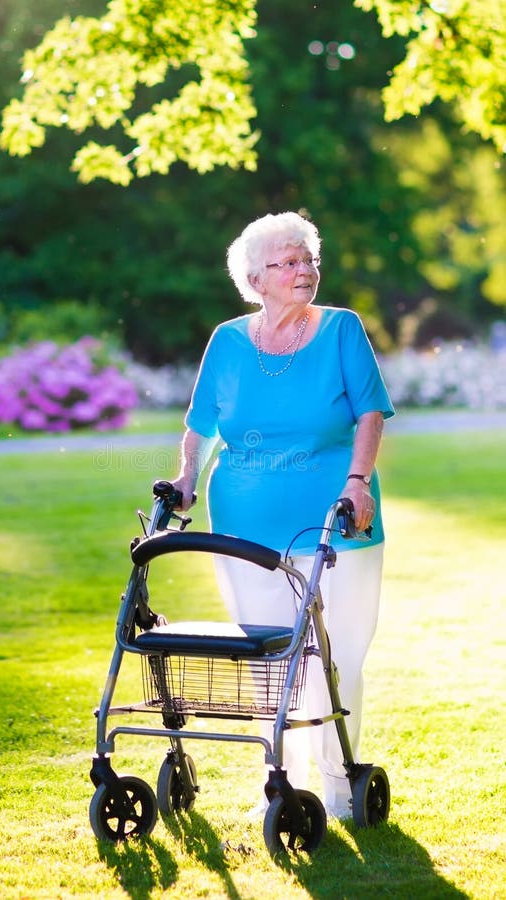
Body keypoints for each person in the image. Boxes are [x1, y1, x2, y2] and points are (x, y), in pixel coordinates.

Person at [171, 211, 395, 819]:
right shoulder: (228, 341)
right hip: (245, 525)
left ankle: (339, 780)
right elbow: (201, 427)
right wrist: (187, 478)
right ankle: (283, 783)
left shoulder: (341, 330)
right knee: (273, 658)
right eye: (288, 262)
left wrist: (358, 482)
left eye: (308, 260)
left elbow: (370, 414)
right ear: (255, 278)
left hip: (336, 520)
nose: (304, 271)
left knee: (338, 653)